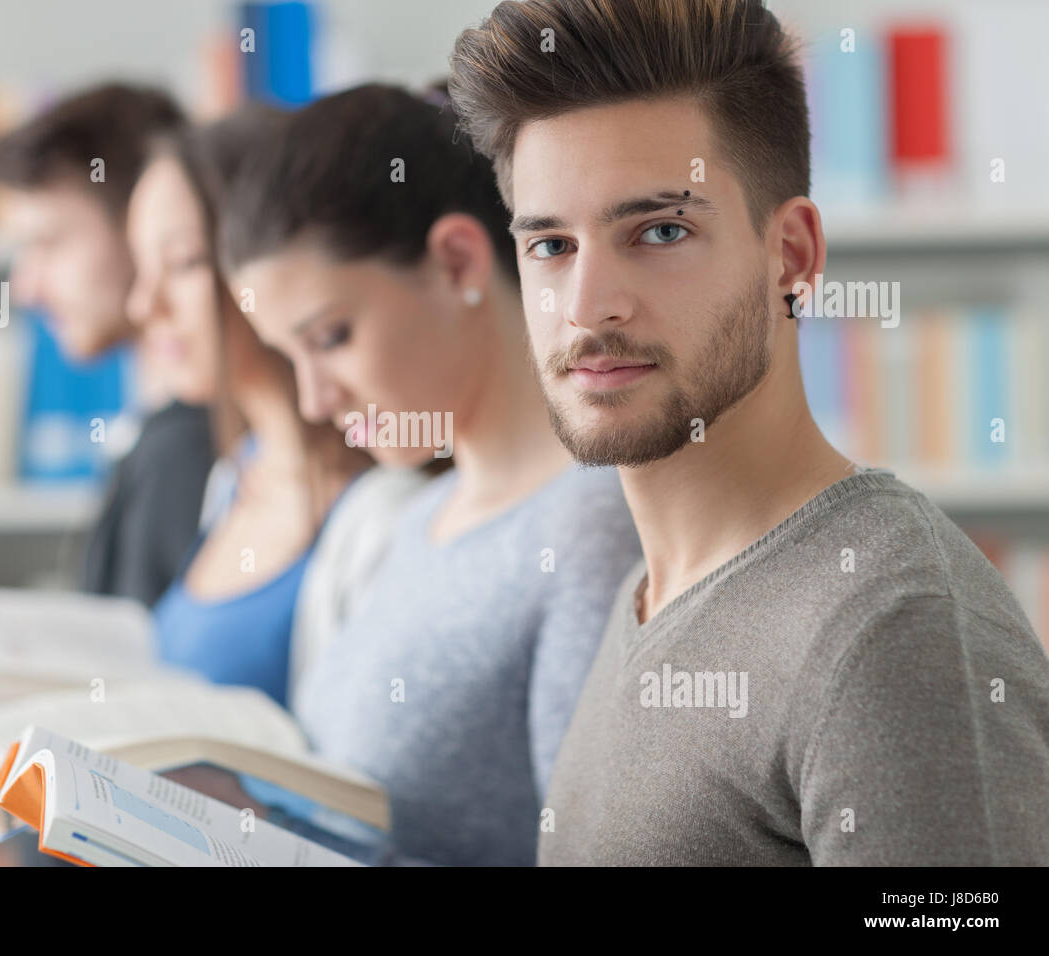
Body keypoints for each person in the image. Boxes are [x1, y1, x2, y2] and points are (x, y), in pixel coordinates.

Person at [447, 0, 1049, 865]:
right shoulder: (647, 592)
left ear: (793, 256)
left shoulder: (897, 631)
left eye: (660, 231)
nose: (587, 306)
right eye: (551, 246)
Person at [218, 83, 643, 865]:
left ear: (457, 262)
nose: (315, 399)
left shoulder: (588, 526)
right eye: (290, 357)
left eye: (333, 336)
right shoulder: (415, 520)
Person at [125, 105, 374, 707]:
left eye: (183, 264)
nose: (141, 306)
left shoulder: (373, 509)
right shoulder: (236, 474)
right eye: (139, 268)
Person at [0, 82, 213, 606]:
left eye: (50, 244)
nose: (26, 286)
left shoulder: (188, 450)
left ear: (142, 223)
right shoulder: (152, 433)